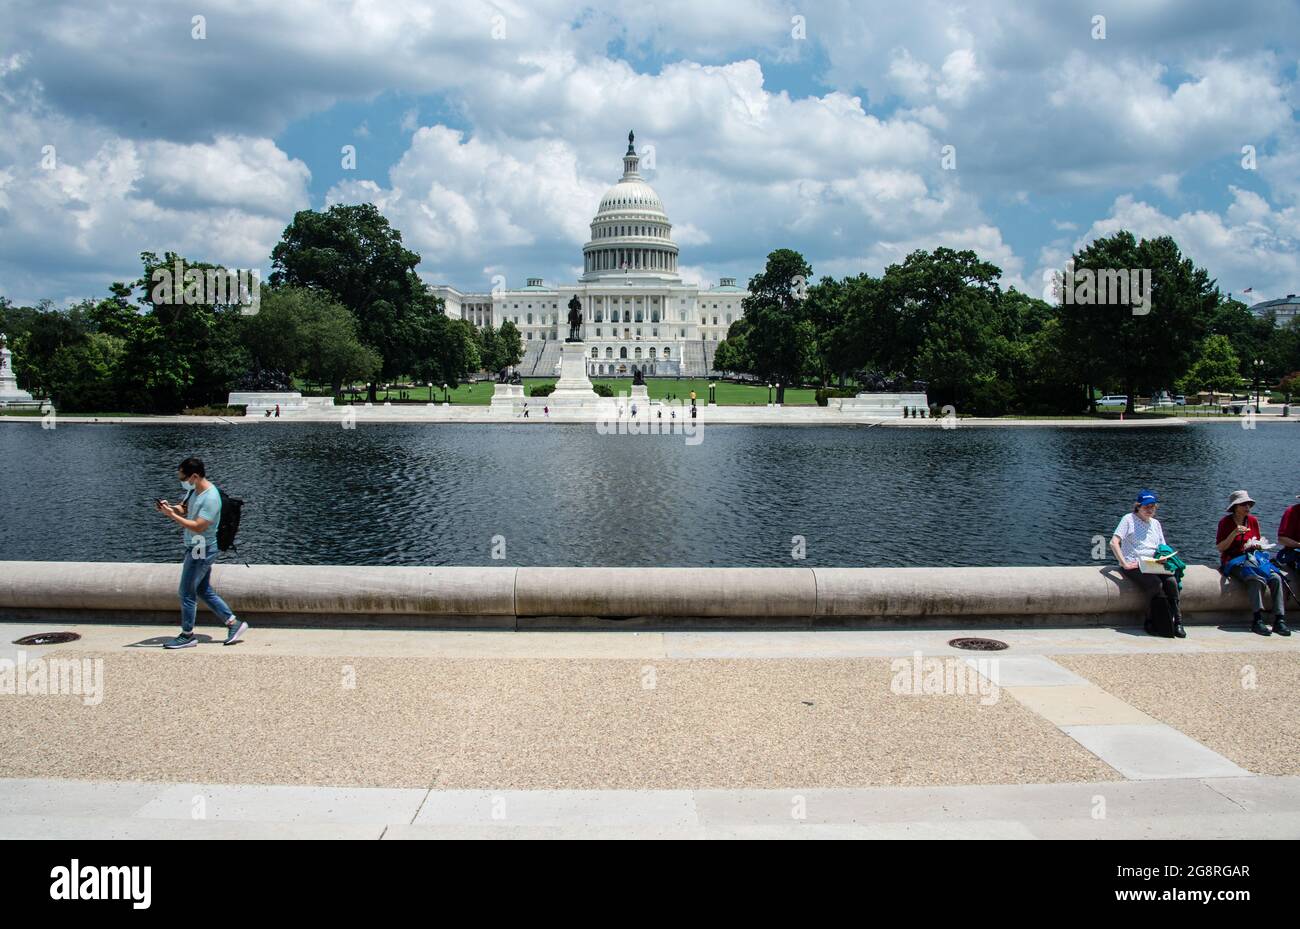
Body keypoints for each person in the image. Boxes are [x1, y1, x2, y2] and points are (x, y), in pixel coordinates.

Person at [155, 457, 246, 649]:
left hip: (201, 548)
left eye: (183, 477)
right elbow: (185, 508)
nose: (181, 480)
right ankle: (233, 623)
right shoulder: (194, 489)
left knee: (186, 591)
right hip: (195, 546)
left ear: (194, 476)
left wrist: (171, 517)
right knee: (202, 589)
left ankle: (187, 635)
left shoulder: (211, 498)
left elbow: (198, 526)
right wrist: (170, 508)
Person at [1111, 490, 1184, 637]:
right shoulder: (1128, 519)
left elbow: (1162, 546)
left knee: (1171, 582)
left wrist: (1164, 557)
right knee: (1155, 584)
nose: (1149, 510)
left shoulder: (1156, 523)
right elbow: (1114, 542)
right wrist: (1124, 563)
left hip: (1154, 563)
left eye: (1152, 507)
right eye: (1146, 507)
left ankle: (1177, 621)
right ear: (1138, 507)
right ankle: (1150, 621)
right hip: (1134, 563)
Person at [1217, 490, 1290, 637]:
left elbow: (1256, 540)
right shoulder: (1225, 522)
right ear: (1235, 507)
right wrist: (1234, 534)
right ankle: (1257, 619)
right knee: (1254, 578)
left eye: (1249, 504)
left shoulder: (1253, 521)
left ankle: (1279, 619)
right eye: (1244, 504)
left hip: (1253, 558)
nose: (1247, 507)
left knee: (1275, 578)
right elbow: (1221, 547)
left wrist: (1256, 546)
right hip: (1234, 561)